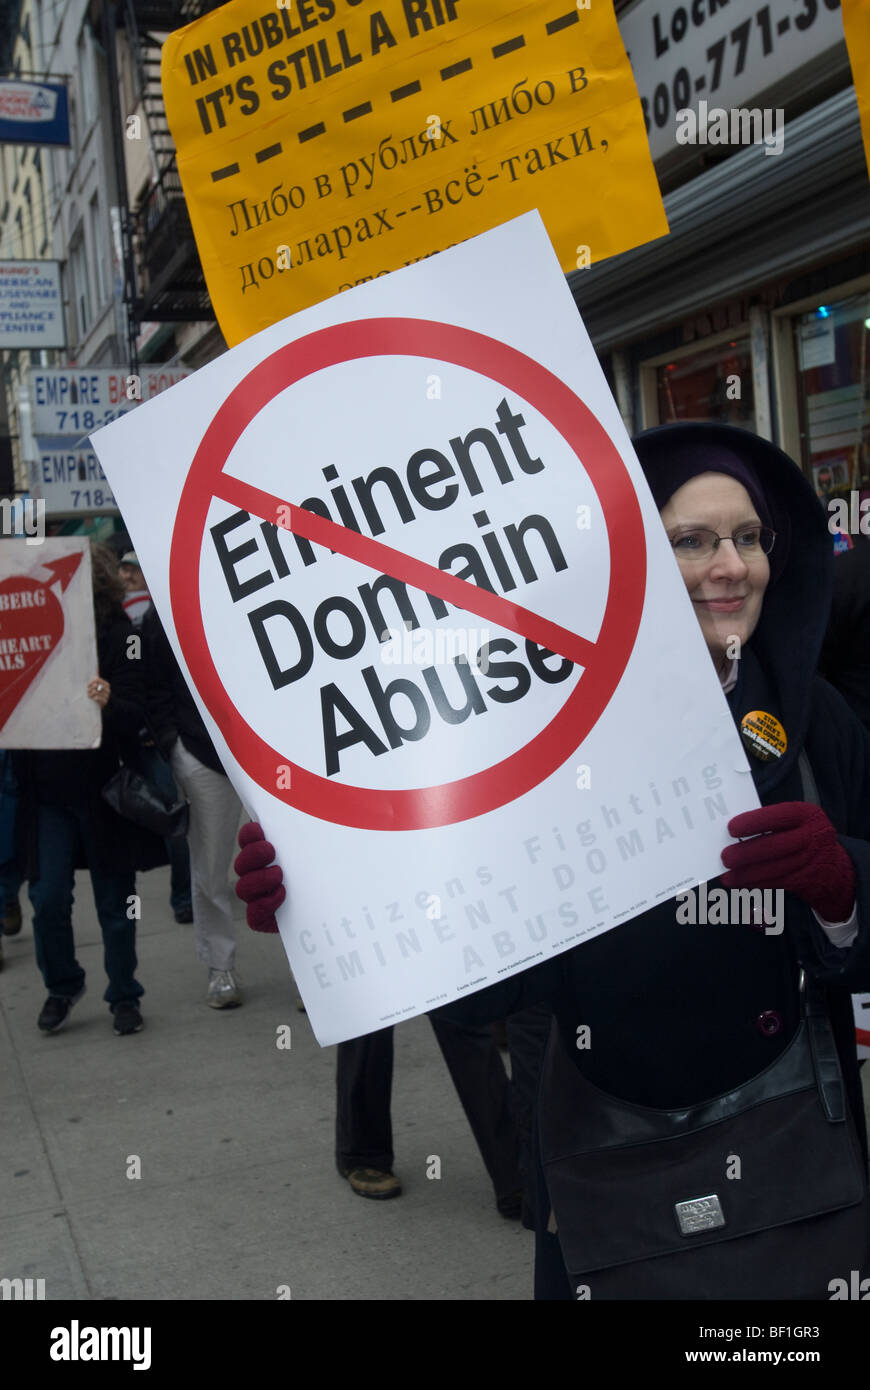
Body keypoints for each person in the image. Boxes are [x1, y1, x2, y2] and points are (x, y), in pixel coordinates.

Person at [235, 422, 870, 1297]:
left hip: (793, 1162)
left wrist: (844, 883)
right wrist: (322, 897)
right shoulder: (533, 735)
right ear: (636, 557)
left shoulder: (819, 721)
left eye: (749, 536)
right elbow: (487, 989)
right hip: (612, 1171)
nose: (731, 566)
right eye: (692, 540)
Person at [15, 544, 166, 1035]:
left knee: (117, 904)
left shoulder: (122, 637)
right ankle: (62, 985)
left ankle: (124, 994)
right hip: (48, 793)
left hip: (104, 791)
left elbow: (137, 715)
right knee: (49, 899)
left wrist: (106, 699)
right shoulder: (28, 637)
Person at [142, 605, 244, 1007]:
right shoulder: (161, 609)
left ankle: (310, 968)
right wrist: (174, 744)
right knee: (210, 869)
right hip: (202, 749)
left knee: (292, 864)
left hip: (269, 746)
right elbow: (154, 685)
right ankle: (220, 965)